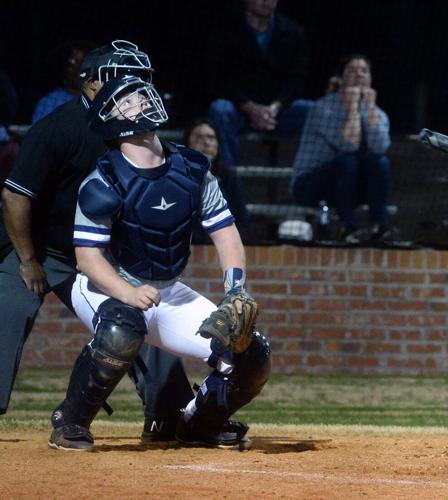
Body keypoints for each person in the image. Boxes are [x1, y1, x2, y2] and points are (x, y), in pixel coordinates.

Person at [49, 74, 271, 451]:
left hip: (168, 290)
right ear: (111, 119)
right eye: (129, 100)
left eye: (141, 93)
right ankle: (70, 423)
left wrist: (235, 290)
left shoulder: (192, 168)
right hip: (108, 285)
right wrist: (127, 292)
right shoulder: (103, 178)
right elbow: (87, 258)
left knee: (252, 353)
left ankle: (199, 425)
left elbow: (226, 232)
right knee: (122, 330)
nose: (142, 100)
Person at [0, 41, 202, 445]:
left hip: (104, 251)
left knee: (143, 312)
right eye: (119, 76)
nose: (134, 85)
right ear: (90, 84)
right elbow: (14, 195)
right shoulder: (58, 127)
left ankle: (169, 413)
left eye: (139, 78)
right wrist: (27, 259)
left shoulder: (140, 130)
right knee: (9, 308)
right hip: (47, 248)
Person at [291, 54, 392, 244]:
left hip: (349, 186)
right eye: (352, 70)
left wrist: (369, 108)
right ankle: (347, 226)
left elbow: (380, 147)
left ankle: (380, 226)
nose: (359, 75)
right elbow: (349, 145)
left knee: (381, 163)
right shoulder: (323, 108)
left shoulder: (379, 114)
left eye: (364, 71)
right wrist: (353, 107)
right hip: (311, 185)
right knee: (348, 161)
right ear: (341, 79)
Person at [207, 0, 311, 167]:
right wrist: (250, 108)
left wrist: (275, 108)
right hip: (240, 109)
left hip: (278, 112)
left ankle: (304, 180)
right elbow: (219, 78)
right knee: (220, 110)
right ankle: (229, 180)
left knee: (312, 110)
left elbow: (297, 80)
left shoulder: (294, 32)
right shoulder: (227, 30)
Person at [184, 118, 250, 237]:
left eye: (211, 137)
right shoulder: (174, 177)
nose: (206, 143)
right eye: (199, 137)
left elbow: (242, 222)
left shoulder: (229, 177)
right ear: (187, 144)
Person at [31, 41, 93, 124]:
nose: (78, 69)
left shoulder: (101, 101)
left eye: (83, 63)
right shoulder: (49, 102)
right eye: (72, 63)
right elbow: (38, 135)